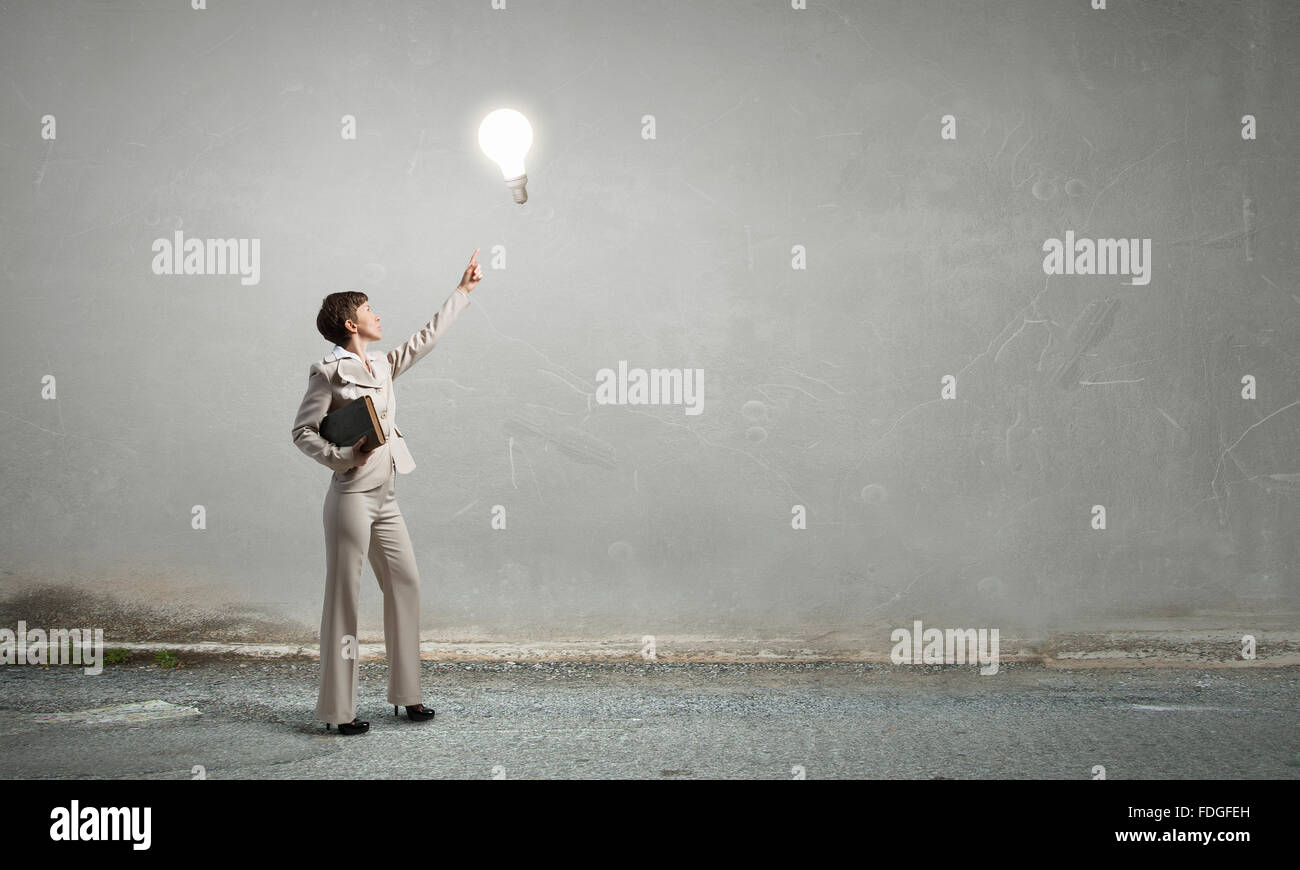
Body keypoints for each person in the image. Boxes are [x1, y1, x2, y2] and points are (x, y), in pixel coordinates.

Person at [291, 249, 483, 734]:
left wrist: (461, 291)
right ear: (350, 324)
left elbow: (425, 340)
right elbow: (302, 432)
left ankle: (407, 695)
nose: (378, 315)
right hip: (351, 497)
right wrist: (343, 458)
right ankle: (339, 711)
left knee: (405, 583)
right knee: (344, 598)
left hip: (387, 495)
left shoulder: (381, 365)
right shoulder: (327, 373)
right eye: (369, 310)